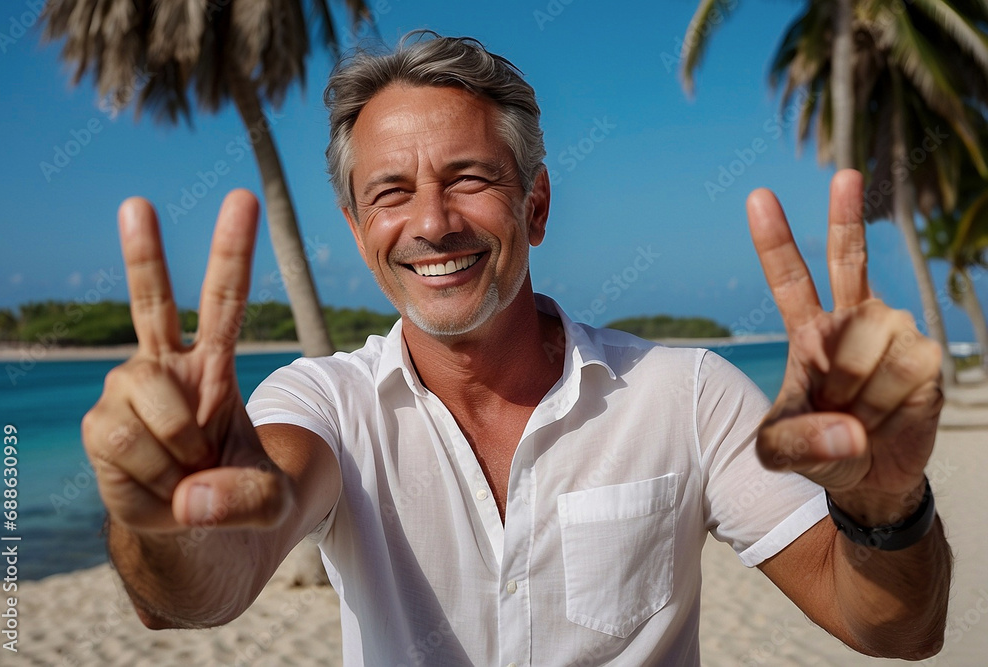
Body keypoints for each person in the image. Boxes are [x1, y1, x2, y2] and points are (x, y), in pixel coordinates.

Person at [82, 34, 951, 665]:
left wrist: (886, 505)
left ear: (534, 207)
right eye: (391, 192)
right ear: (358, 231)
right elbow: (194, 593)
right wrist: (157, 516)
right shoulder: (325, 408)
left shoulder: (684, 394)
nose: (432, 223)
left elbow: (898, 629)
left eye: (470, 177)